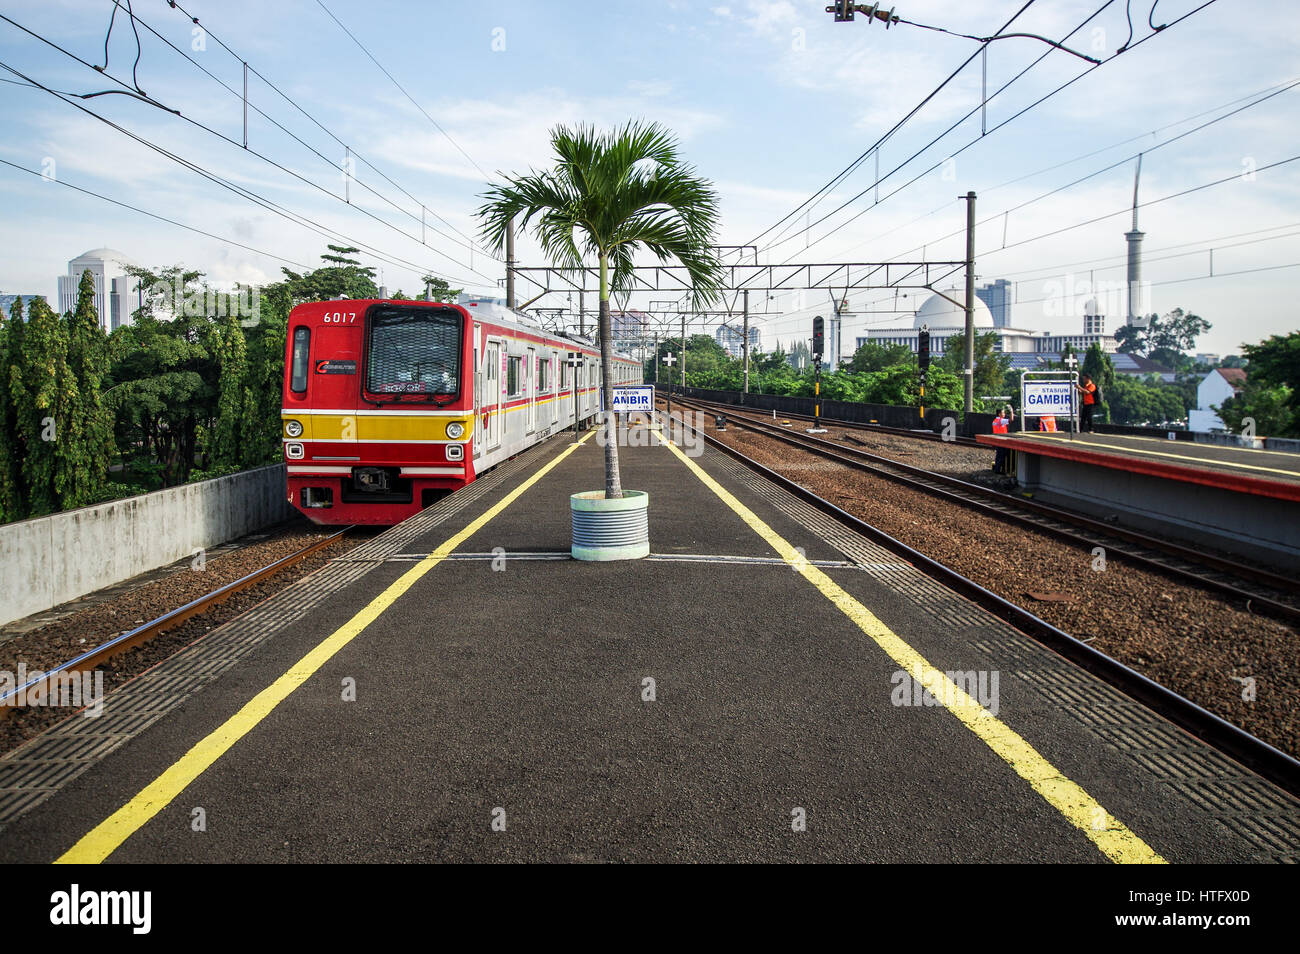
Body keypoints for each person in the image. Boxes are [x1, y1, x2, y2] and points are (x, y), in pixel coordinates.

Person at [992, 404, 1014, 474]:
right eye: (1003, 413)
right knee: (1002, 455)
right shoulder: (1000, 421)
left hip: (997, 439)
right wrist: (1011, 412)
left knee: (998, 455)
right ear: (999, 414)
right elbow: (1011, 420)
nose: (1004, 414)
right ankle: (1000, 470)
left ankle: (997, 469)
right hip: (1002, 440)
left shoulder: (994, 421)